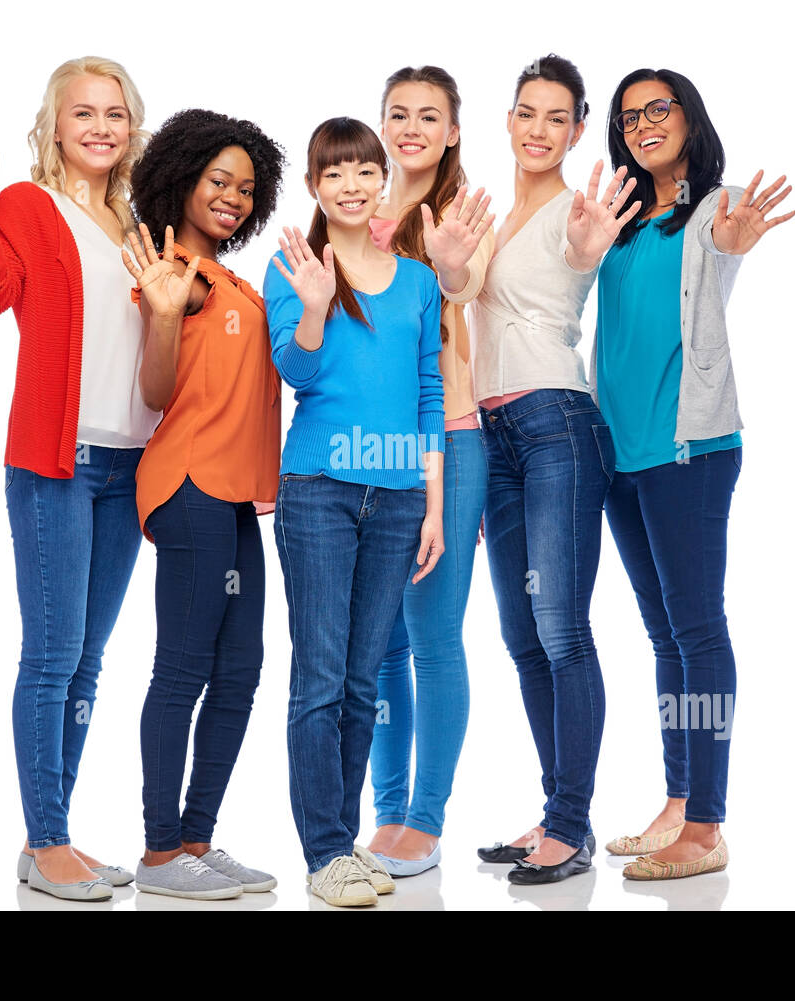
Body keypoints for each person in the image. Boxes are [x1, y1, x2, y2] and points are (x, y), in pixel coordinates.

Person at [0, 56, 153, 901]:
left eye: (116, 113)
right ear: (56, 126)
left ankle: (57, 836)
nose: (101, 127)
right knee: (52, 655)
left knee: (90, 660)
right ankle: (46, 839)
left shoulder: (135, 224)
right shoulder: (32, 207)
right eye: (84, 114)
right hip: (55, 464)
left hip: (127, 464)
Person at [594, 69, 793, 880]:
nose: (643, 124)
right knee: (664, 634)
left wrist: (734, 242)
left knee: (698, 631)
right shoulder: (622, 219)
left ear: (688, 116)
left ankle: (707, 825)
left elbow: (723, 252)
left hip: (689, 453)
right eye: (628, 116)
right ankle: (677, 802)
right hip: (621, 458)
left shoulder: (716, 208)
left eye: (658, 109)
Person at [265, 117, 445, 907]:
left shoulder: (416, 278)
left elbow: (430, 393)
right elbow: (293, 365)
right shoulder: (294, 266)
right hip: (319, 492)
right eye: (332, 172)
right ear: (315, 186)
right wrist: (311, 305)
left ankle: (340, 841)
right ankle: (327, 848)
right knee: (320, 675)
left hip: (401, 495)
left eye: (363, 170)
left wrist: (434, 503)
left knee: (364, 677)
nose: (350, 183)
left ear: (381, 181)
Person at [471, 54, 639, 885]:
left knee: (562, 630)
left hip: (556, 424)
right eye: (525, 113)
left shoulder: (576, 212)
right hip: (495, 436)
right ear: (509, 121)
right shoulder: (496, 215)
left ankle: (570, 828)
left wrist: (585, 245)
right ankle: (557, 813)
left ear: (577, 131)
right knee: (522, 636)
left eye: (556, 119)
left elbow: (580, 256)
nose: (538, 131)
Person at [123, 109, 286, 899]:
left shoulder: (234, 280)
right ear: (181, 178)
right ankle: (160, 853)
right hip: (189, 486)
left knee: (240, 670)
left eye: (246, 188)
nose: (231, 196)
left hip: (237, 498)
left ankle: (196, 837)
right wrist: (162, 312)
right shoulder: (173, 272)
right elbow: (156, 392)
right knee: (183, 668)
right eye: (217, 180)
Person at [363, 65, 495, 878]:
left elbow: (465, 281)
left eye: (429, 116)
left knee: (432, 635)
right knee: (377, 643)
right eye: (397, 113)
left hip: (447, 437)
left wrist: (447, 263)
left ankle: (426, 816)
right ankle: (387, 809)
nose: (411, 127)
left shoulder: (459, 213)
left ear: (452, 130)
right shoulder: (353, 204)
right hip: (366, 453)